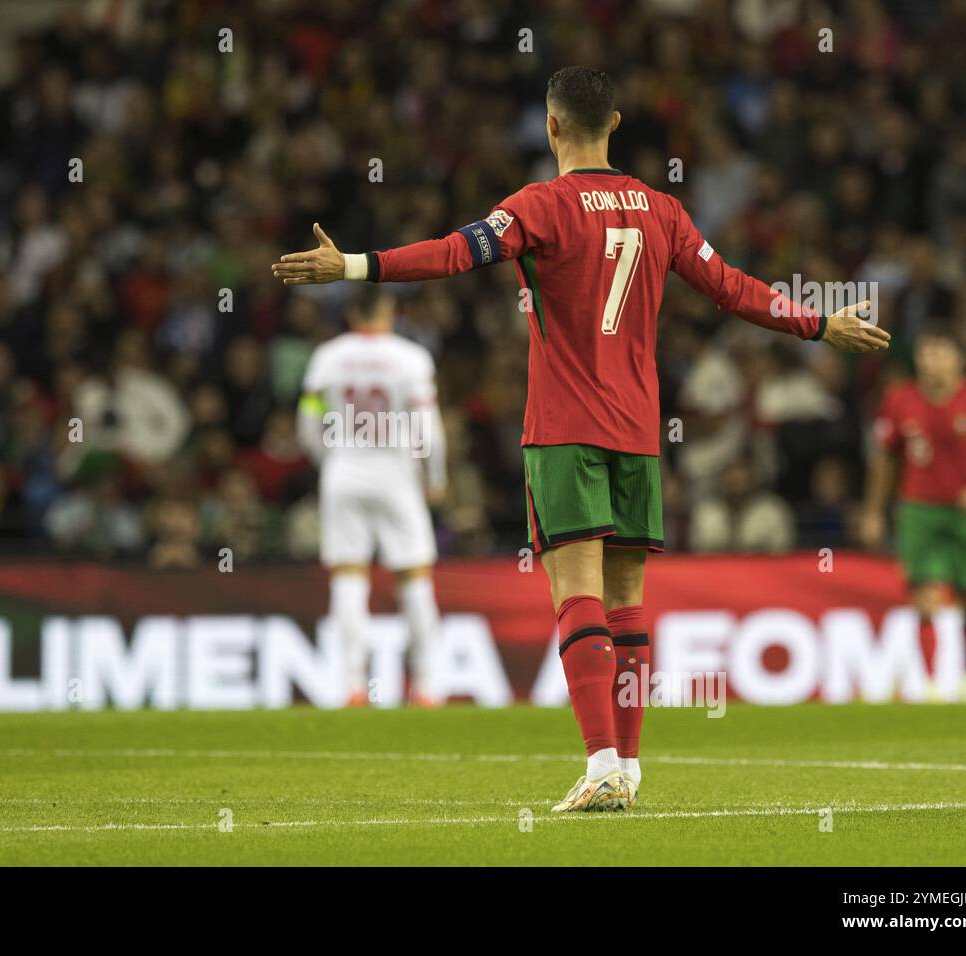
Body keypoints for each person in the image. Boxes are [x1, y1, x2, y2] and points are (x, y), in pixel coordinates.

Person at [272, 66, 888, 811]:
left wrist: (355, 265)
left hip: (565, 428)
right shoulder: (659, 209)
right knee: (627, 601)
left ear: (551, 126)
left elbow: (454, 252)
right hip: (637, 429)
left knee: (577, 595)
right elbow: (732, 287)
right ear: (617, 123)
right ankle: (626, 767)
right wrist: (820, 322)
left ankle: (599, 764)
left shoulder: (542, 204)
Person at [297, 286, 447, 708]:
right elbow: (427, 427)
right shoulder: (411, 358)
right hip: (396, 473)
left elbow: (307, 420)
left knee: (348, 576)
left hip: (343, 471)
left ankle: (352, 686)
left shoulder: (327, 357)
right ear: (390, 310)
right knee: (414, 577)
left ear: (350, 313)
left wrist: (328, 459)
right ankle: (427, 687)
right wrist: (434, 473)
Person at [861, 325, 966, 685]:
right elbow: (885, 459)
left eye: (940, 353)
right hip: (918, 509)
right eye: (925, 353)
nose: (932, 362)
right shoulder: (900, 400)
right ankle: (930, 686)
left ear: (959, 359)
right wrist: (872, 512)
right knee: (925, 598)